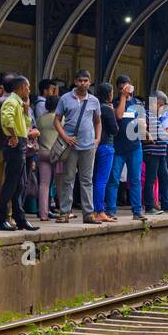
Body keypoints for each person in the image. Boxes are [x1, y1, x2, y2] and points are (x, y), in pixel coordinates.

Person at [54, 70, 101, 224]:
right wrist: (65, 137)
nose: (83, 83)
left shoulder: (94, 101)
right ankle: (64, 213)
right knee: (68, 179)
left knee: (87, 180)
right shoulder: (65, 99)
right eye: (80, 80)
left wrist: (97, 139)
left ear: (89, 82)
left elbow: (97, 121)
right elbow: (57, 120)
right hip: (71, 145)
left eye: (86, 80)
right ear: (75, 81)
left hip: (88, 145)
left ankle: (88, 214)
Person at [0, 75, 39, 232]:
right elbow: (6, 119)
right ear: (21, 87)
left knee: (20, 184)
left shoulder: (20, 103)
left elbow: (26, 124)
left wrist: (26, 110)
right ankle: (1, 219)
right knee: (11, 184)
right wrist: (13, 135)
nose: (29, 90)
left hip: (21, 142)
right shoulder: (12, 101)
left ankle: (20, 218)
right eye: (27, 87)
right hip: (15, 143)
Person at [107, 76, 146, 222]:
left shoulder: (137, 103)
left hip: (135, 147)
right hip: (118, 147)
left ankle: (137, 210)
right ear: (118, 88)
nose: (125, 89)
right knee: (114, 179)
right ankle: (111, 210)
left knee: (135, 179)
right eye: (122, 87)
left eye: (127, 86)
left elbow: (142, 123)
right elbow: (119, 115)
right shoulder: (115, 103)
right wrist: (123, 97)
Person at [91, 81, 118, 223]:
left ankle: (94, 210)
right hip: (106, 146)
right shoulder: (107, 109)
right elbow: (115, 130)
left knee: (94, 179)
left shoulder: (93, 107)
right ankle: (100, 211)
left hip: (93, 147)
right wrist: (113, 112)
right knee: (102, 180)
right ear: (109, 94)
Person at [142, 91, 168, 214]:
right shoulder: (147, 115)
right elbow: (150, 134)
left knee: (165, 177)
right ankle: (149, 206)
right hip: (152, 153)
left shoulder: (157, 118)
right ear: (158, 104)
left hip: (161, 153)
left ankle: (166, 205)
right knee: (151, 179)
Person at [35, 92, 61, 221]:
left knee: (44, 184)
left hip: (42, 152)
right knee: (61, 183)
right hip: (57, 154)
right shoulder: (61, 118)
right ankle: (64, 211)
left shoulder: (40, 119)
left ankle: (43, 213)